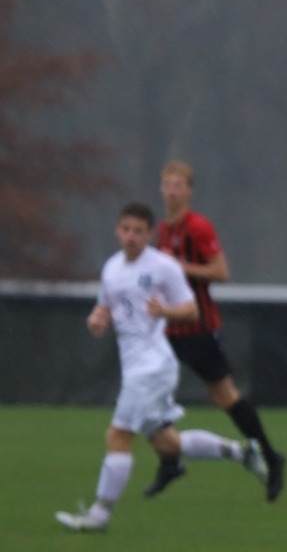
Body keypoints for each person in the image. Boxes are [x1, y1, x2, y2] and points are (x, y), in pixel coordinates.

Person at [57, 203, 266, 532]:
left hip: (153, 367)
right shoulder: (111, 268)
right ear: (117, 230)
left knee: (118, 435)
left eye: (138, 231)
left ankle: (99, 515)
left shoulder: (163, 267)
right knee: (168, 443)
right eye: (125, 229)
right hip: (135, 367)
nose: (131, 237)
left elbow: (192, 310)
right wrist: (97, 319)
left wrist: (164, 311)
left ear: (149, 234)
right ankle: (241, 452)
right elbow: (104, 307)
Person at [155, 160, 285, 501]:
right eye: (167, 184)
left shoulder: (197, 227)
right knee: (149, 391)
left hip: (198, 328)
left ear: (189, 190)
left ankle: (271, 456)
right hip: (168, 329)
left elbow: (221, 272)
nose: (172, 191)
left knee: (224, 396)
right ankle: (169, 462)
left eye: (178, 185)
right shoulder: (162, 230)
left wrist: (181, 268)